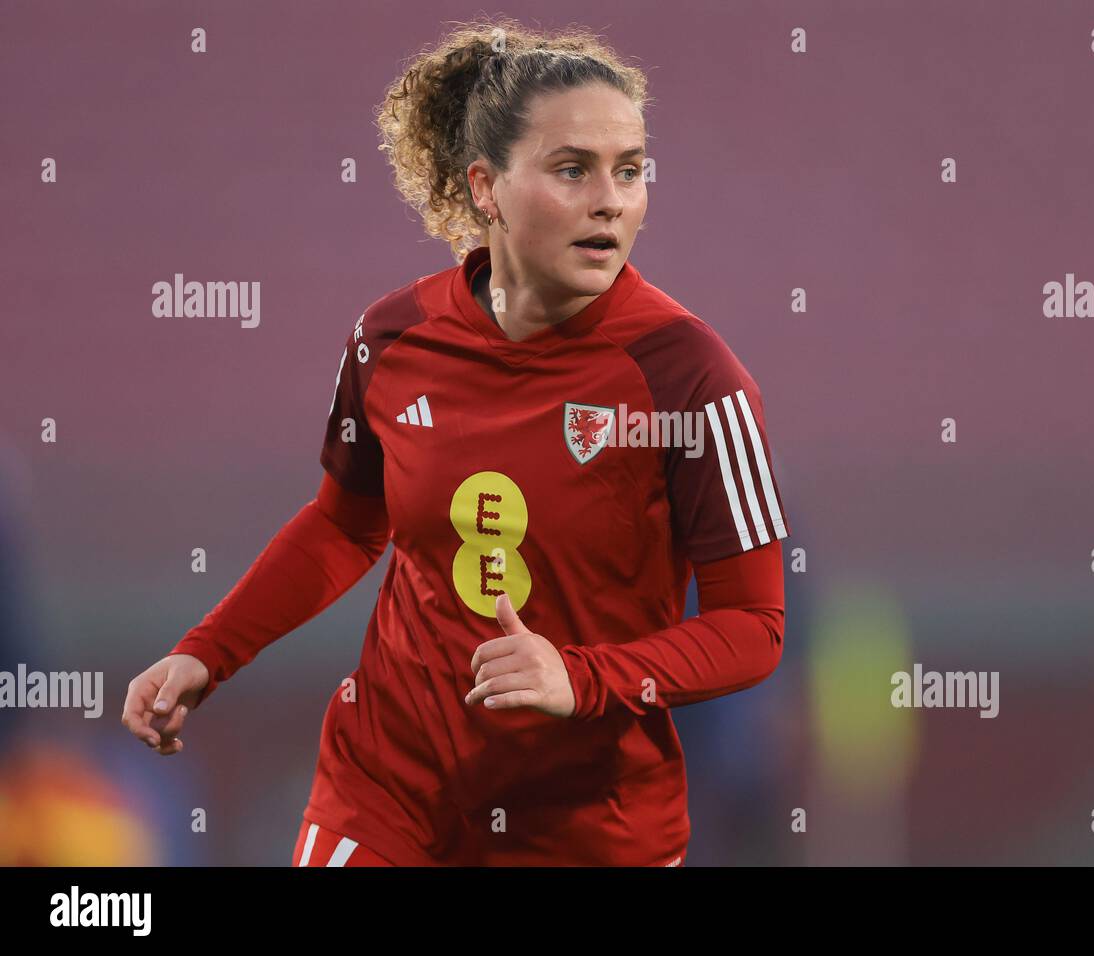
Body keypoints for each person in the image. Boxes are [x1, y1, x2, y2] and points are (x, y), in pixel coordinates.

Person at [121, 17, 791, 867]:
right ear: (486, 188)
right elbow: (343, 526)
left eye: (629, 170)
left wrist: (582, 677)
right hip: (387, 794)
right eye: (573, 169)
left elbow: (754, 626)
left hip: (588, 827)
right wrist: (206, 654)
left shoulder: (691, 377)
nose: (611, 201)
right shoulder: (392, 337)